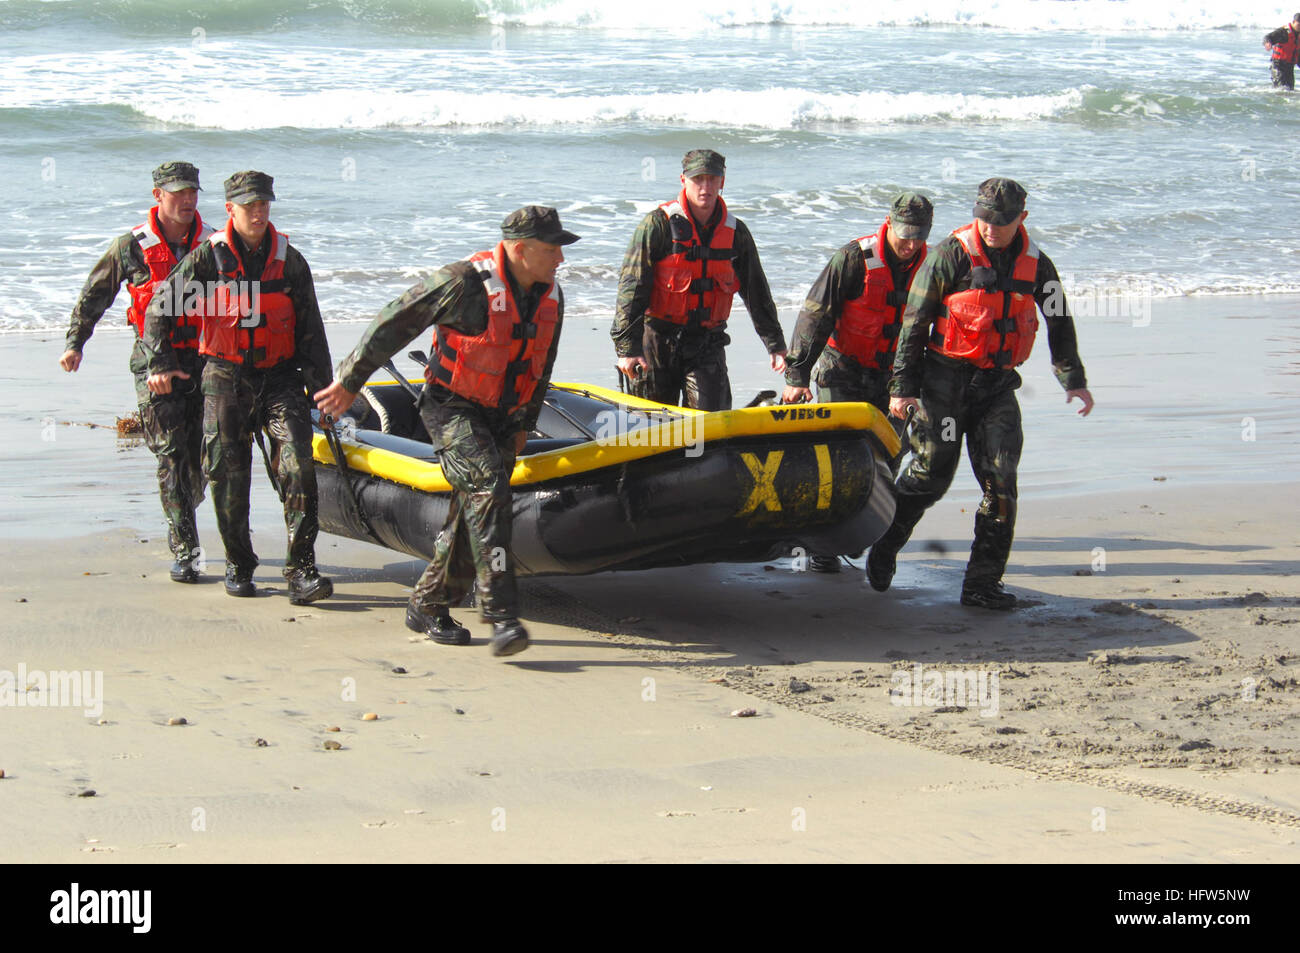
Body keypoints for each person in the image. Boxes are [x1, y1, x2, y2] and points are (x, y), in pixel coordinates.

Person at [313, 206, 578, 657]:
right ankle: (502, 614)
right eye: (552, 249)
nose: (560, 259)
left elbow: (542, 364)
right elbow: (394, 322)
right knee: (488, 489)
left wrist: (523, 423)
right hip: (451, 405)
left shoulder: (551, 294)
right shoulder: (462, 283)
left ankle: (428, 603)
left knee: (471, 512)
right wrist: (350, 381)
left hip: (504, 414)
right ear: (519, 249)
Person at [865, 178, 1094, 609]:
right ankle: (886, 542)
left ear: (1022, 219)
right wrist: (901, 389)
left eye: (1001, 221)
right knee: (932, 478)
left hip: (997, 389)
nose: (990, 227)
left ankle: (982, 585)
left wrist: (1073, 378)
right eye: (984, 217)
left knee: (1001, 484)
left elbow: (1058, 318)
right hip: (943, 385)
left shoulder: (1037, 265)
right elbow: (913, 325)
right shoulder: (950, 256)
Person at [141, 171, 335, 604]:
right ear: (230, 209)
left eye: (264, 203)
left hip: (281, 378)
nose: (259, 212)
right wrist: (160, 362)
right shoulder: (208, 259)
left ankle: (302, 570)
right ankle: (238, 563)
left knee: (298, 466)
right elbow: (160, 309)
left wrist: (324, 390)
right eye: (249, 206)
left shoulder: (290, 260)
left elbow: (311, 330)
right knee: (228, 476)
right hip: (225, 377)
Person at [60, 161, 213, 583]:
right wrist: (76, 343)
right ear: (157, 196)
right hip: (153, 364)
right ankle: (186, 550)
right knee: (171, 452)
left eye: (192, 192)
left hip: (206, 362)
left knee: (203, 458)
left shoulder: (216, 243)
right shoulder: (130, 246)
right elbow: (96, 294)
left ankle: (186, 504)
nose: (187, 200)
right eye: (178, 192)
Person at [781, 192, 934, 572]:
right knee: (838, 459)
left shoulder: (934, 266)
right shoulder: (853, 259)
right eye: (905, 235)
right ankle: (825, 547)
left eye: (919, 235)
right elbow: (815, 315)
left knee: (889, 456)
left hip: (896, 379)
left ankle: (863, 532)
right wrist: (797, 375)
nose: (910, 244)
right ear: (888, 222)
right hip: (843, 369)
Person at [612, 149, 786, 410]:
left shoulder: (736, 232)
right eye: (698, 179)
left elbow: (756, 291)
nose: (705, 187)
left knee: (709, 427)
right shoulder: (657, 225)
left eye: (712, 179)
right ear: (683, 180)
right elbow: (631, 289)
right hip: (657, 341)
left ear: (722, 182)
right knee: (651, 429)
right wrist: (627, 349)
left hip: (707, 342)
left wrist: (775, 344)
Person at [1264, 14, 1300, 89]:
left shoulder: (1298, 36)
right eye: (1299, 24)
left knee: (1290, 90)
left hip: (1289, 67)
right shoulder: (1284, 32)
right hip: (1278, 65)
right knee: (1281, 89)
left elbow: (1297, 55)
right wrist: (1267, 43)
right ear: (1293, 22)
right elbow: (1268, 37)